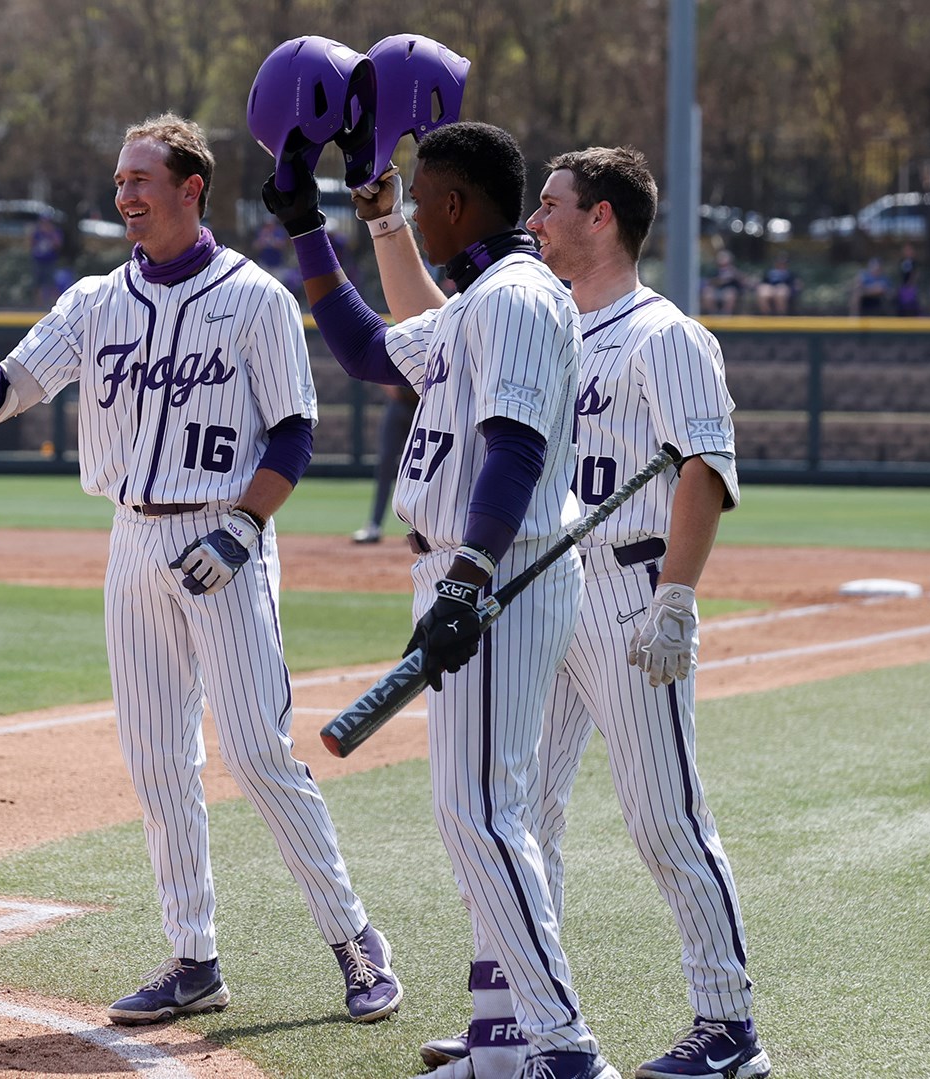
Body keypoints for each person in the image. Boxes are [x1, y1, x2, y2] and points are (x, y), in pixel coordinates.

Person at [0, 112, 401, 1028]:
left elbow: (294, 431)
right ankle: (192, 957)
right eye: (119, 181)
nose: (124, 195)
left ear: (190, 188)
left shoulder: (254, 297)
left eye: (140, 179)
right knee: (158, 763)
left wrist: (246, 526)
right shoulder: (93, 302)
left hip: (225, 534)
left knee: (258, 752)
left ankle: (355, 940)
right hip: (133, 543)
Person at [272, 121, 616, 1079]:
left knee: (482, 816)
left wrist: (467, 578)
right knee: (485, 815)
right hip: (477, 571)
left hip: (493, 575)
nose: (415, 212)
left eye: (423, 198)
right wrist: (307, 228)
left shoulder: (515, 297)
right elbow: (368, 351)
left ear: (458, 204)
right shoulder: (481, 301)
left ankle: (564, 1050)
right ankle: (502, 1046)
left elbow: (517, 446)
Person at [520, 146, 767, 1079]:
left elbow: (703, 466)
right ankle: (522, 1014)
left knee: (665, 816)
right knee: (518, 813)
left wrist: (676, 598)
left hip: (629, 590)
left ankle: (728, 1025)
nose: (535, 220)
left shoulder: (666, 335)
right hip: (548, 587)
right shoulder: (549, 325)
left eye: (552, 205)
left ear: (603, 217)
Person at [351, 383, 419, 543]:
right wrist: (389, 386)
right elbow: (379, 367)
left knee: (418, 467)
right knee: (385, 465)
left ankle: (418, 527)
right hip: (397, 404)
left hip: (421, 406)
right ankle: (374, 525)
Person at [699, 250, 745, 315]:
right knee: (708, 294)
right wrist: (721, 280)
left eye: (724, 257)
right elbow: (708, 282)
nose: (722, 259)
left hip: (729, 290)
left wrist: (735, 275)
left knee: (729, 294)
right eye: (720, 257)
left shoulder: (734, 270)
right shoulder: (713, 270)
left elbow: (742, 282)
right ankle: (713, 315)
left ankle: (726, 315)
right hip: (715, 290)